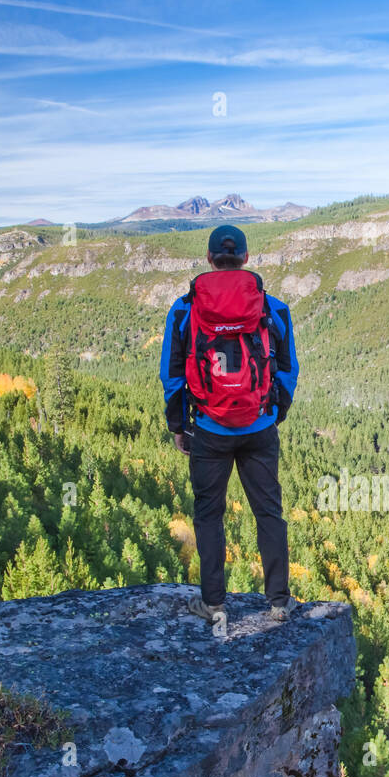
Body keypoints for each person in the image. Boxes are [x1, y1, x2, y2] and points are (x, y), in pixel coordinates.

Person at [159, 224, 299, 622]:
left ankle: (213, 603)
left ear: (209, 259)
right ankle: (278, 602)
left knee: (208, 514)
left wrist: (178, 426)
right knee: (268, 512)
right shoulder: (275, 308)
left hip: (208, 428)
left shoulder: (184, 310)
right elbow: (288, 371)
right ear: (246, 258)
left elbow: (172, 375)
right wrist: (275, 413)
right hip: (259, 427)